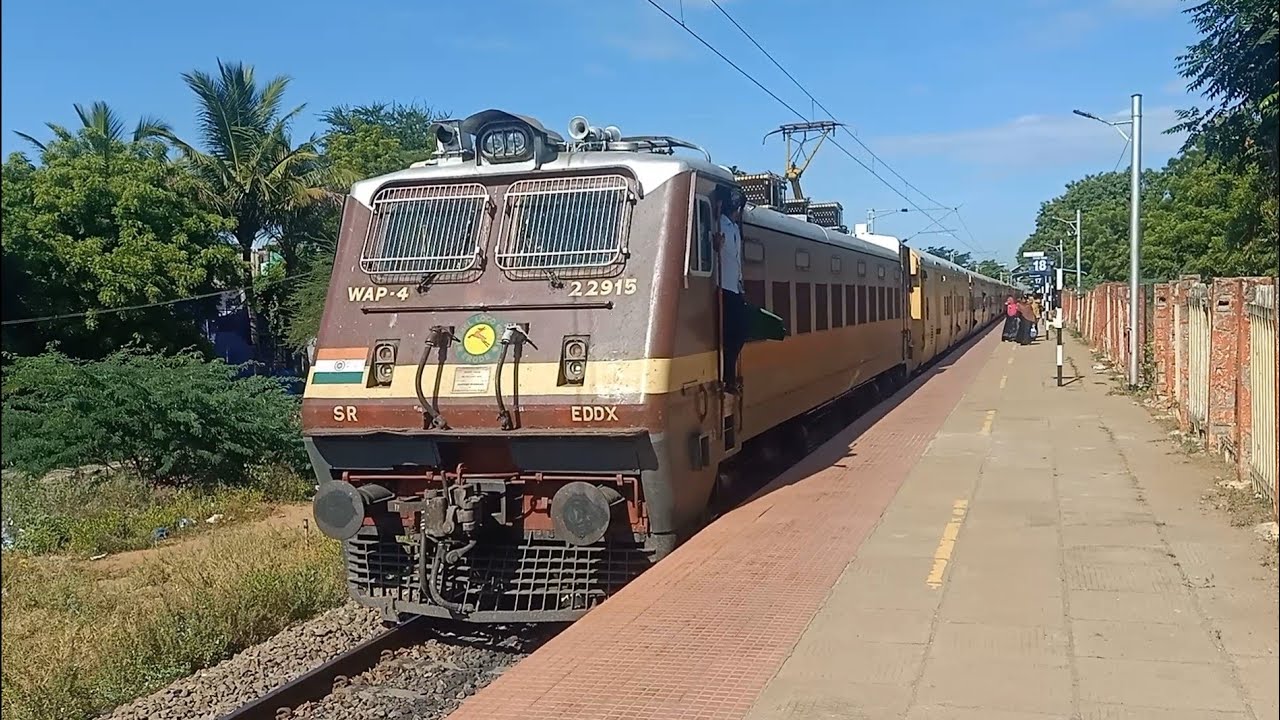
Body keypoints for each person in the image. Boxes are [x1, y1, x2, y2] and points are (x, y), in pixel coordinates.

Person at [714, 187, 747, 393]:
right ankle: (728, 377)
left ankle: (729, 375)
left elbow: (735, 259)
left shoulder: (734, 228)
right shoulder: (719, 225)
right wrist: (715, 244)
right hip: (723, 287)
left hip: (734, 287)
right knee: (733, 334)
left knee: (740, 332)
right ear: (738, 208)